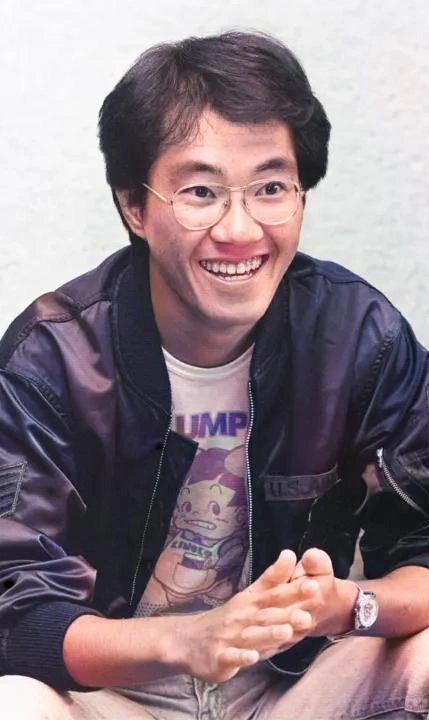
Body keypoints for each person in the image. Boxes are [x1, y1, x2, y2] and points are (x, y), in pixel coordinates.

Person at [0, 30, 428, 720]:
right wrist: (188, 640)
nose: (240, 229)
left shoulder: (357, 335)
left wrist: (347, 604)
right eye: (201, 191)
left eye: (270, 188)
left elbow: (421, 542)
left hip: (292, 691)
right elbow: (15, 612)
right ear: (134, 206)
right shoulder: (53, 359)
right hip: (109, 700)